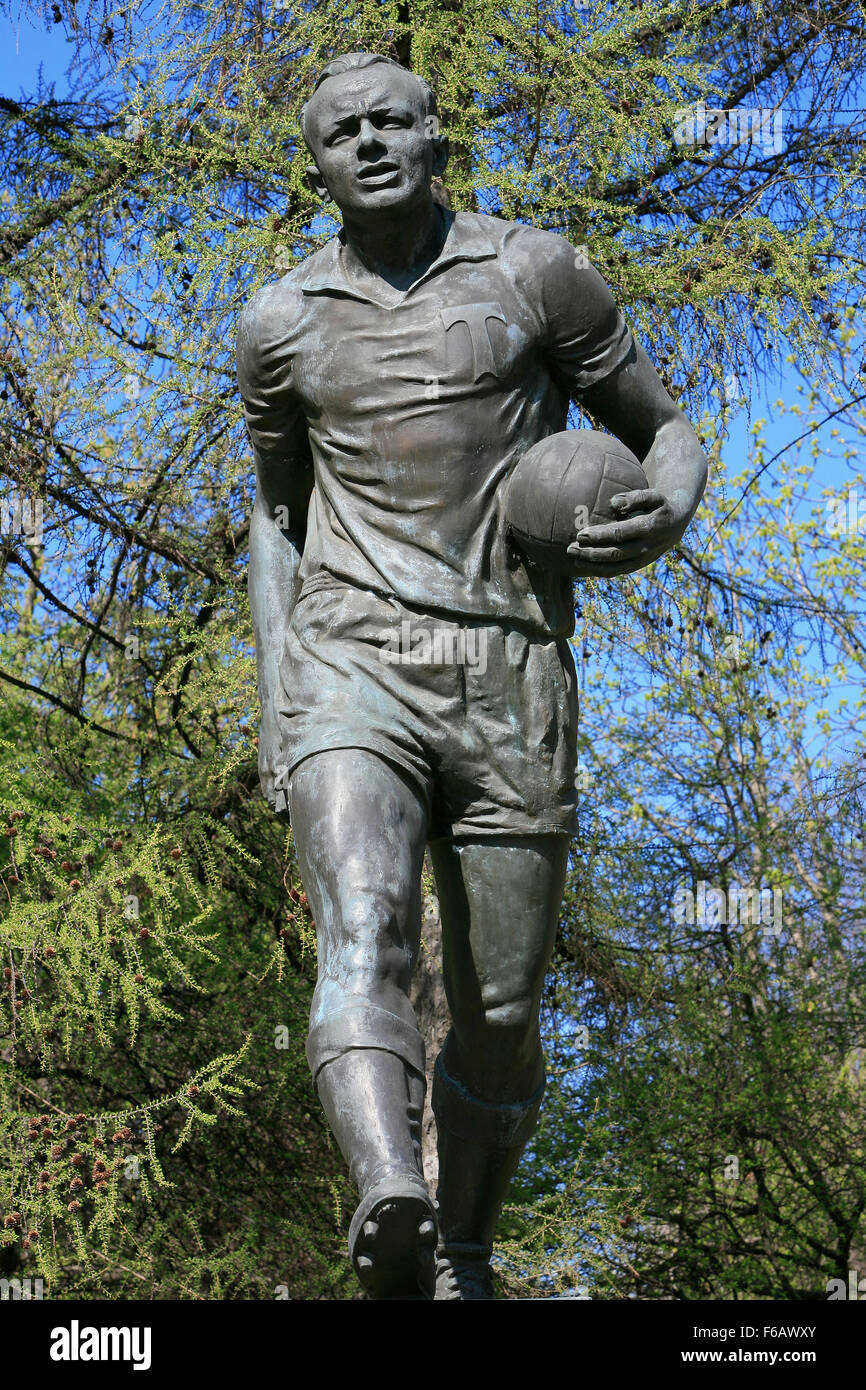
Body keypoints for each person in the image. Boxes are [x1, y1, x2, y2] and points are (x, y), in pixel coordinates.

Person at [236, 51, 707, 1300]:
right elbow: (275, 523)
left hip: (506, 672)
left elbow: (660, 428)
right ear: (318, 162)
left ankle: (463, 1243)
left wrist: (660, 515)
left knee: (498, 1011)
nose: (371, 142)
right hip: (353, 661)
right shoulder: (278, 322)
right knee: (364, 926)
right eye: (344, 132)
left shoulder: (530, 270)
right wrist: (282, 704)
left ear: (435, 134)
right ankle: (385, 1185)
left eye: (393, 120)